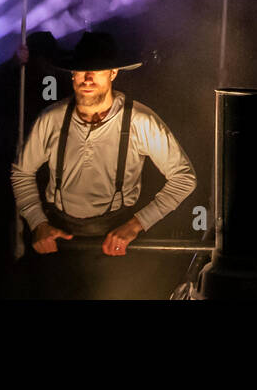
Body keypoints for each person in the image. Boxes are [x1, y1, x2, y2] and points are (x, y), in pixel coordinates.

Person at [11, 31, 196, 259]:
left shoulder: (140, 120)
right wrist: (38, 223)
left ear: (113, 73)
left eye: (97, 70)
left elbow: (184, 178)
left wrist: (137, 224)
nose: (88, 78)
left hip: (119, 243)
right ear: (72, 75)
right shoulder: (52, 118)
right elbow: (22, 173)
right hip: (58, 240)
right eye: (81, 70)